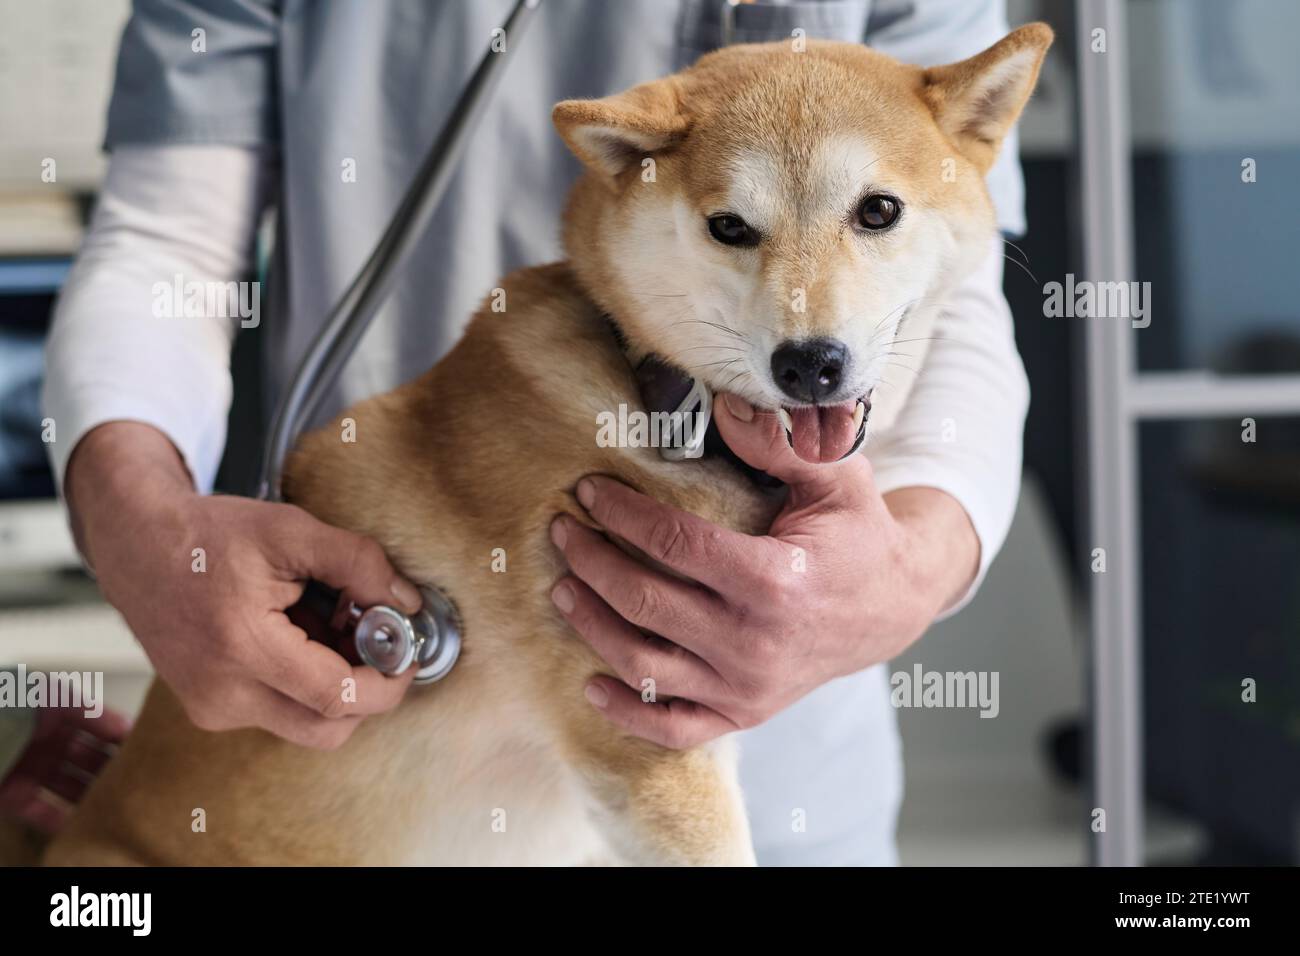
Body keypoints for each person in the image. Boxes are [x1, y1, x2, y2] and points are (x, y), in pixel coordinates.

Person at [38, 0, 1030, 866]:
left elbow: (960, 295)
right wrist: (143, 528)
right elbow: (162, 242)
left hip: (792, 787)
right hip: (362, 667)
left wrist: (915, 567)